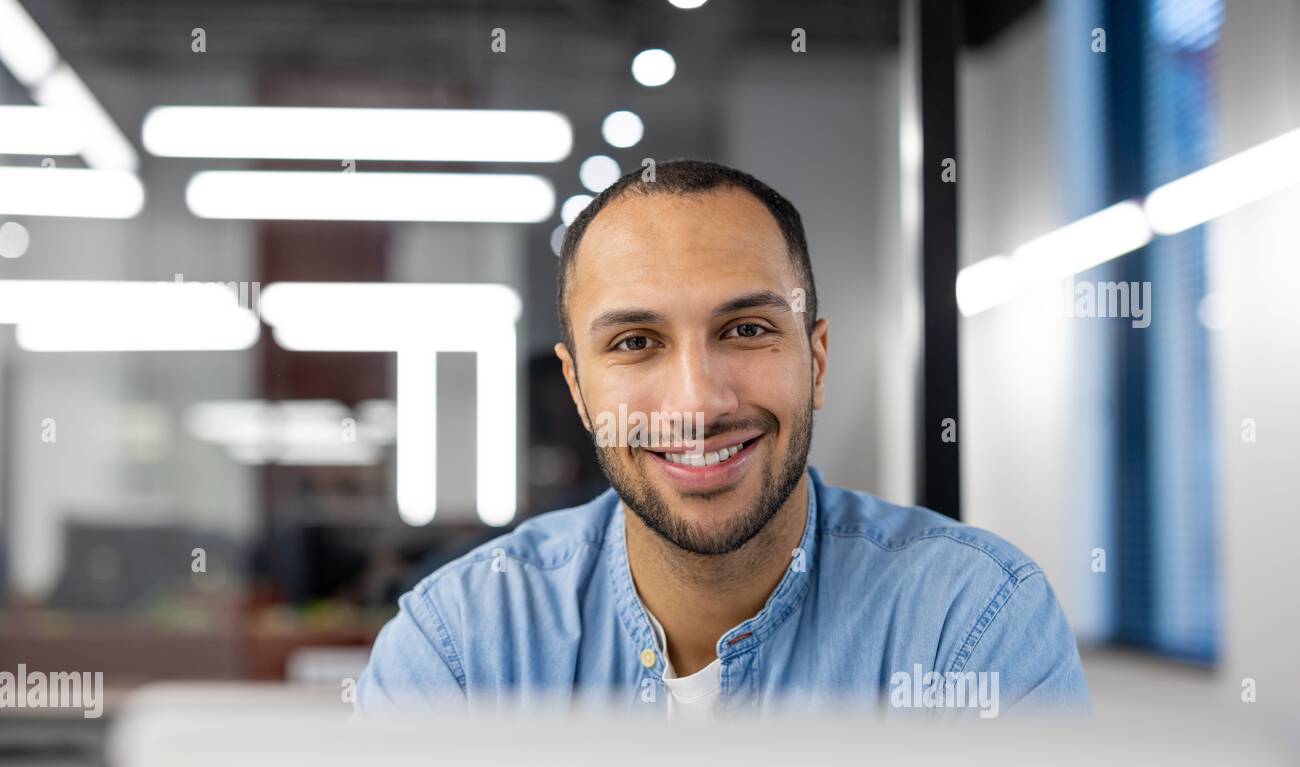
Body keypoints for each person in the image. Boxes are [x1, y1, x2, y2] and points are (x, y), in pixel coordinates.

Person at [355, 159, 1090, 720]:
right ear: (578, 390)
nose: (698, 401)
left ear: (817, 361)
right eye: (637, 341)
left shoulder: (973, 622)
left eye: (746, 330)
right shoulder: (460, 644)